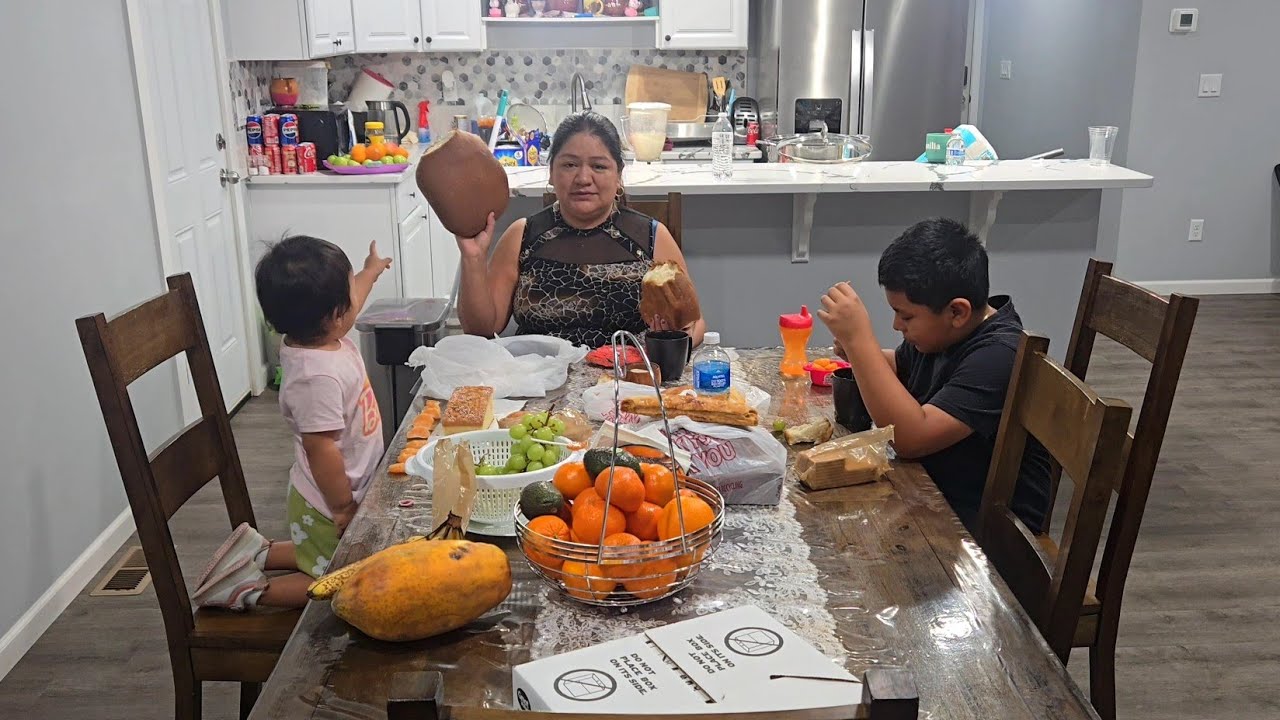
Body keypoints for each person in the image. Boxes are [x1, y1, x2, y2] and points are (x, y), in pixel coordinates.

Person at [192, 236, 392, 610]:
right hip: (326, 501)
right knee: (337, 579)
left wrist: (371, 271)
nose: (356, 295)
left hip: (335, 491)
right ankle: (246, 589)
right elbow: (320, 448)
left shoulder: (319, 336)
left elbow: (351, 302)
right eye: (349, 290)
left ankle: (258, 552)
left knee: (316, 549)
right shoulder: (316, 377)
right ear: (335, 314)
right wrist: (342, 508)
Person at [819, 218, 1051, 532]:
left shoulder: (999, 356)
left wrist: (860, 342)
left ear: (957, 312)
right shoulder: (945, 334)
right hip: (934, 489)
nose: (896, 326)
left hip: (979, 527)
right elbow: (901, 365)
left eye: (906, 316)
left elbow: (910, 438)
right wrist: (859, 351)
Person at [454, 111, 706, 348]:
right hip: (539, 376)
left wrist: (674, 341)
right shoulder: (522, 236)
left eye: (599, 166)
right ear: (551, 173)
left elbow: (695, 324)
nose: (584, 178)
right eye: (570, 165)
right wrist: (473, 258)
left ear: (618, 175)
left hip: (627, 376)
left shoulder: (652, 237)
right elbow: (481, 330)